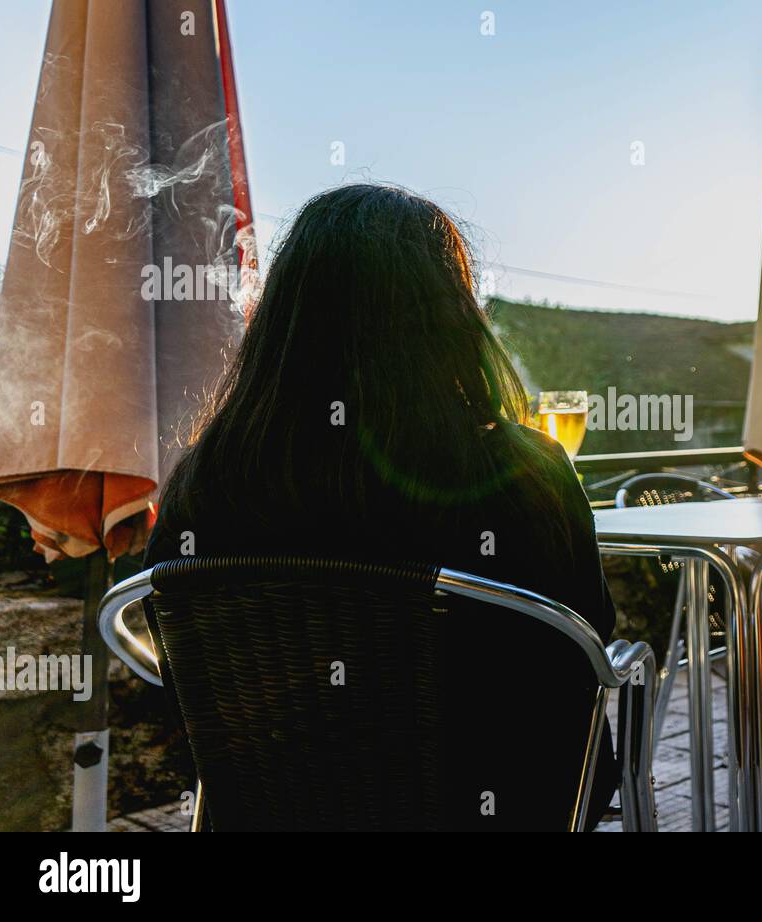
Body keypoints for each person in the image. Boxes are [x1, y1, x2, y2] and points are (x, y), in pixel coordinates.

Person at [144, 183, 617, 830]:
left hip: (276, 809)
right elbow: (588, 642)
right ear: (452, 315)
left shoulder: (205, 480)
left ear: (286, 314)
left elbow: (185, 683)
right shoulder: (524, 471)